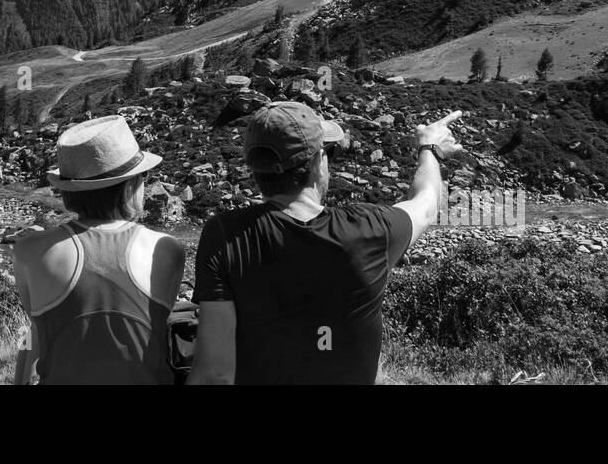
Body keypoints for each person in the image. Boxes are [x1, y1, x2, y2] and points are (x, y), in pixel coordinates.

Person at [188, 101, 460, 384]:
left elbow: (213, 375)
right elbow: (427, 203)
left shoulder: (223, 235)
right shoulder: (370, 229)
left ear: (256, 171)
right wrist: (429, 149)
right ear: (319, 162)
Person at [13, 115, 185, 384]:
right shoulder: (167, 250)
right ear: (129, 186)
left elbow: (38, 332)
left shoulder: (27, 251)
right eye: (144, 177)